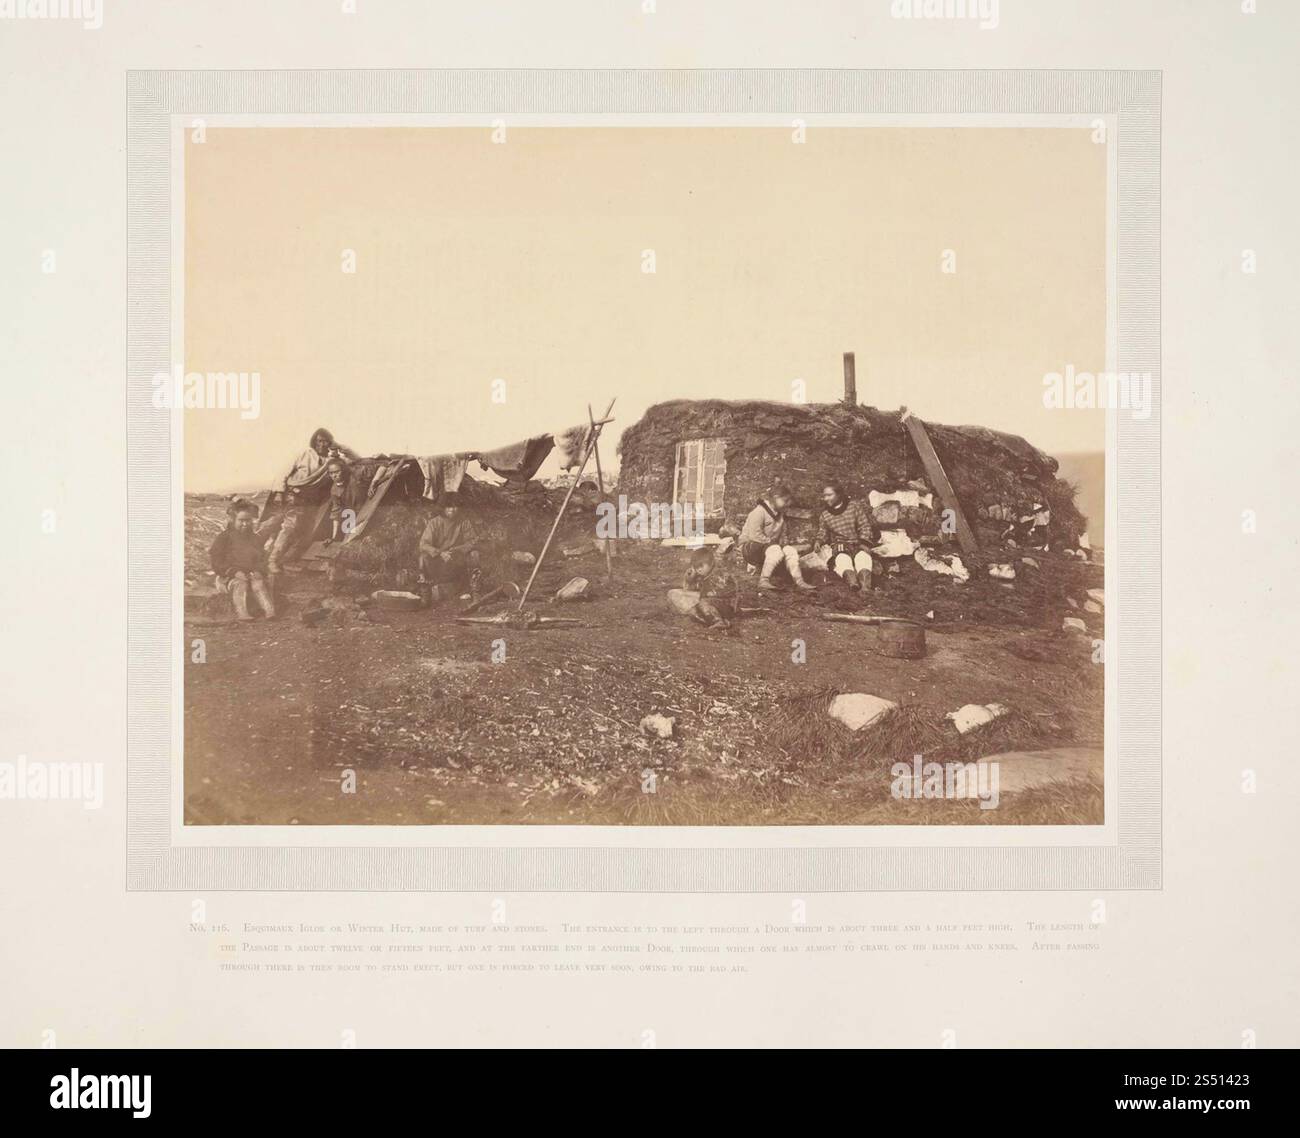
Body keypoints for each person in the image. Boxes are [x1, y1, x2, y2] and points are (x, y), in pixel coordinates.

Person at [267, 427, 359, 572]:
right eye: (319, 441)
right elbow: (283, 472)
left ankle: (287, 560)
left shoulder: (331, 461)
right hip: (294, 494)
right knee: (290, 527)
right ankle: (272, 561)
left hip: (311, 500)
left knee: (306, 531)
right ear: (314, 442)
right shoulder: (304, 454)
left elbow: (356, 459)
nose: (322, 445)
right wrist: (279, 492)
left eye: (326, 442)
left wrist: (339, 446)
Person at [738, 484, 815, 592]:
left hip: (768, 548)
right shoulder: (759, 512)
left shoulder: (780, 515)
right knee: (775, 550)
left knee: (790, 550)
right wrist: (773, 543)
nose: (788, 504)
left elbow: (782, 535)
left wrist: (784, 544)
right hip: (751, 547)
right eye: (785, 500)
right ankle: (763, 580)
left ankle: (799, 580)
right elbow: (754, 535)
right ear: (775, 497)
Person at [210, 504, 277, 621]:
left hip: (251, 575)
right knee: (240, 584)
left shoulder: (255, 538)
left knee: (259, 583)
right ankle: (242, 613)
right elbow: (216, 561)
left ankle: (269, 611)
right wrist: (234, 572)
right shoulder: (224, 537)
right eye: (241, 520)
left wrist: (258, 570)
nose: (245, 524)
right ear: (233, 520)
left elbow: (263, 558)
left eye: (248, 520)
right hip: (228, 578)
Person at [813, 482, 877, 593]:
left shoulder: (854, 506)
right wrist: (818, 540)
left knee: (862, 558)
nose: (826, 498)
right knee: (843, 560)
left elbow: (864, 525)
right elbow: (823, 531)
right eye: (824, 496)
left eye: (829, 495)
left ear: (839, 494)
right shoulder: (825, 515)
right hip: (840, 545)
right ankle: (853, 584)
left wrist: (864, 543)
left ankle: (866, 586)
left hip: (857, 543)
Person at [417, 492, 482, 601]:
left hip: (457, 561)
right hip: (438, 561)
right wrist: (440, 553)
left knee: (474, 554)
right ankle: (425, 595)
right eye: (448, 506)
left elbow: (472, 541)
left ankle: (476, 592)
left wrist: (457, 550)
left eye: (455, 506)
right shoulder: (434, 523)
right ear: (442, 508)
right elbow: (423, 544)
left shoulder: (463, 522)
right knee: (423, 557)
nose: (452, 509)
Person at [678, 547, 740, 630]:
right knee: (690, 604)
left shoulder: (719, 573)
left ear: (710, 563)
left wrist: (706, 594)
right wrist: (690, 579)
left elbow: (725, 592)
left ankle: (719, 621)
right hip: (713, 604)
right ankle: (708, 618)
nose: (698, 569)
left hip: (727, 604)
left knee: (703, 602)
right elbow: (689, 590)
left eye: (701, 566)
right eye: (696, 567)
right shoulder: (702, 575)